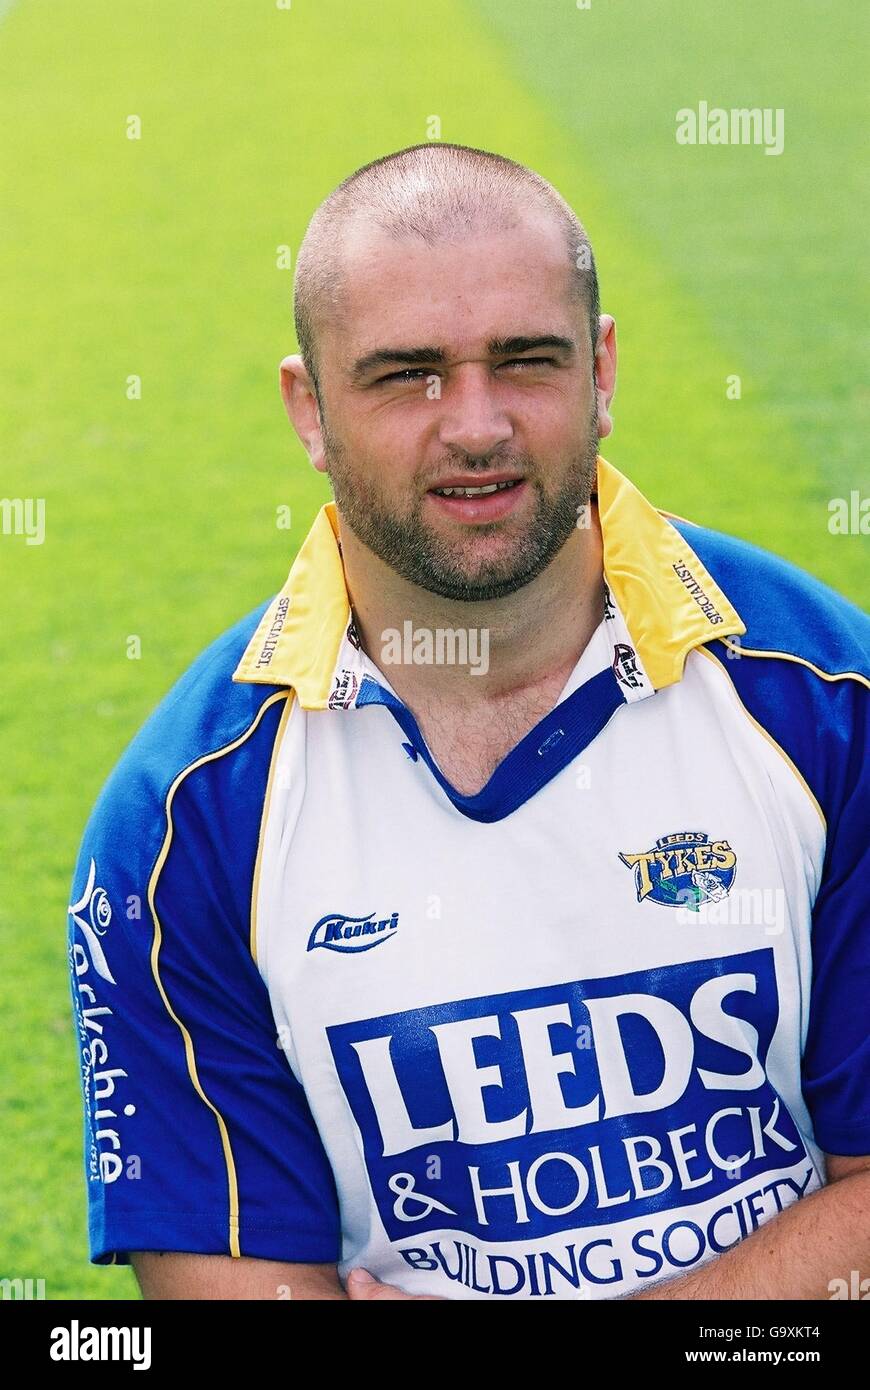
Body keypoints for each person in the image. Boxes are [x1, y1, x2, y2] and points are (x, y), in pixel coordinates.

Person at [67, 143, 870, 1302]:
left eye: (526, 361)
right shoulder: (180, 829)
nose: (477, 425)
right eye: (406, 376)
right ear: (310, 407)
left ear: (600, 371)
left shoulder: (828, 704)